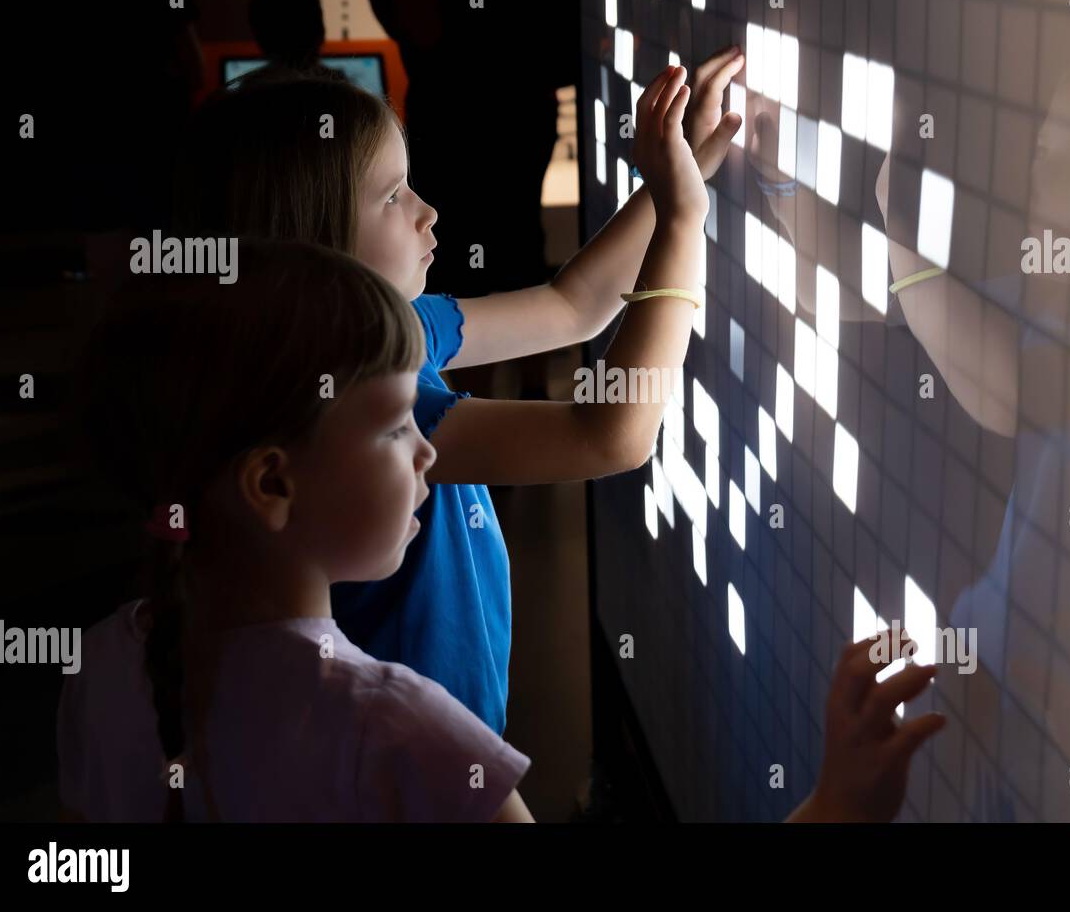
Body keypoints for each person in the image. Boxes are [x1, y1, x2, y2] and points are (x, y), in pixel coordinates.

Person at [57, 239, 943, 821]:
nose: (430, 457)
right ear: (274, 483)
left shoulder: (99, 666)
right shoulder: (407, 737)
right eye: (402, 424)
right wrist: (836, 805)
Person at [170, 57, 742, 735]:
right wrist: (681, 222)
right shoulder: (363, 402)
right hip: (404, 758)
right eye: (391, 197)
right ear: (311, 245)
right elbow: (611, 435)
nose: (426, 211)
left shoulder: (402, 326)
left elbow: (574, 305)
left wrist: (682, 175)